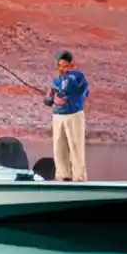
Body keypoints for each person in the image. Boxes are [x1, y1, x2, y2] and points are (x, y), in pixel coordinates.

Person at [44, 50, 89, 181]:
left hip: (74, 115)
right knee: (59, 147)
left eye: (66, 66)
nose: (63, 69)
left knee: (75, 146)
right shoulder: (56, 80)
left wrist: (62, 92)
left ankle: (79, 177)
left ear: (72, 65)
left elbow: (75, 89)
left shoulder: (77, 76)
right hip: (58, 116)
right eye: (60, 66)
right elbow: (49, 100)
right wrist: (51, 97)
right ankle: (63, 175)